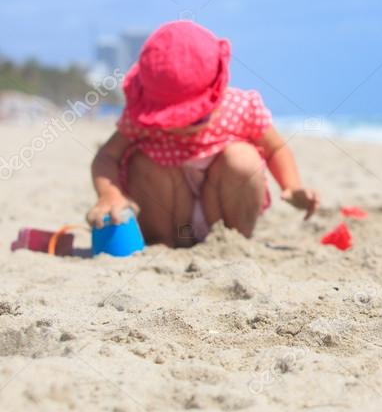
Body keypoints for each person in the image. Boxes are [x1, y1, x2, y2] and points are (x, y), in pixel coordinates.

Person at [87, 21, 319, 247]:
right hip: (170, 222)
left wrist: (291, 186)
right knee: (143, 164)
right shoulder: (141, 116)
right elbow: (107, 156)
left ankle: (234, 242)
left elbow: (275, 148)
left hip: (223, 216)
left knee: (243, 159)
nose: (182, 127)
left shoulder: (240, 107)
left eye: (196, 118)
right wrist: (110, 194)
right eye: (170, 119)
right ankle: (163, 243)